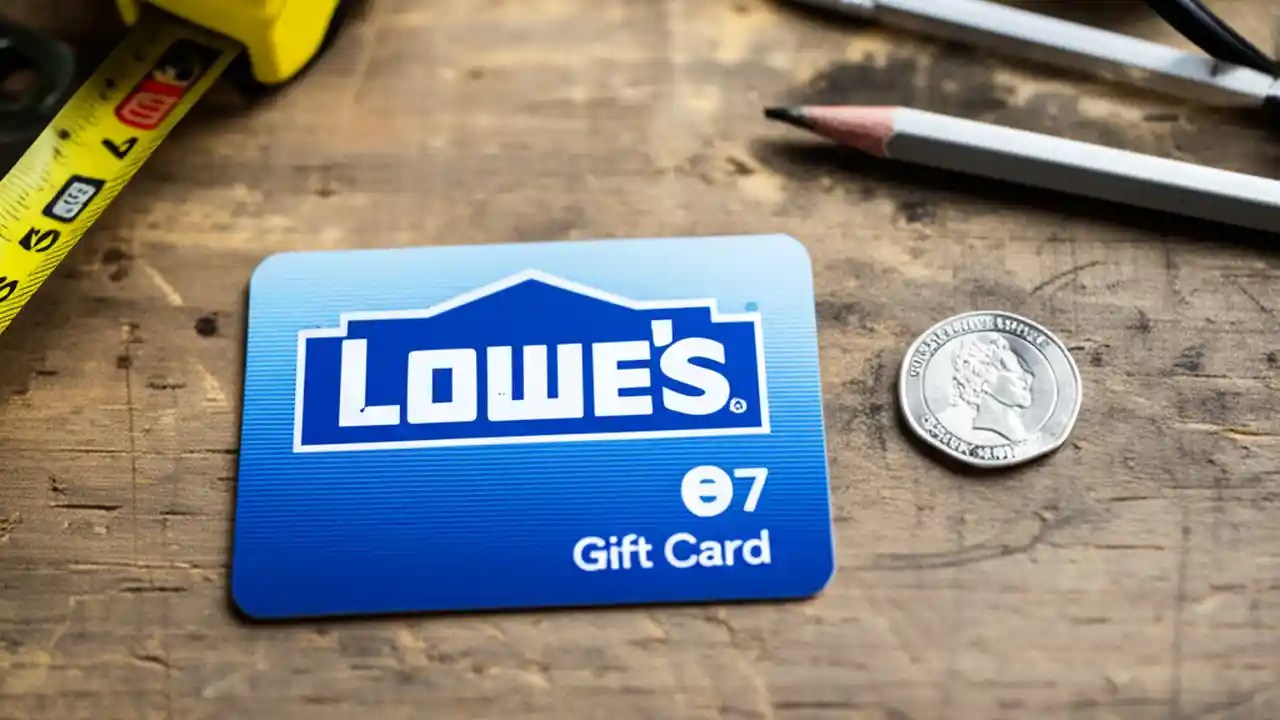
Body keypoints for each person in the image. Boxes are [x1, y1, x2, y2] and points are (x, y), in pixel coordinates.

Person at [937, 334, 1035, 443]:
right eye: (1010, 369)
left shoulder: (1023, 435)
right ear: (984, 380)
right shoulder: (980, 437)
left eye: (1021, 369)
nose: (1028, 377)